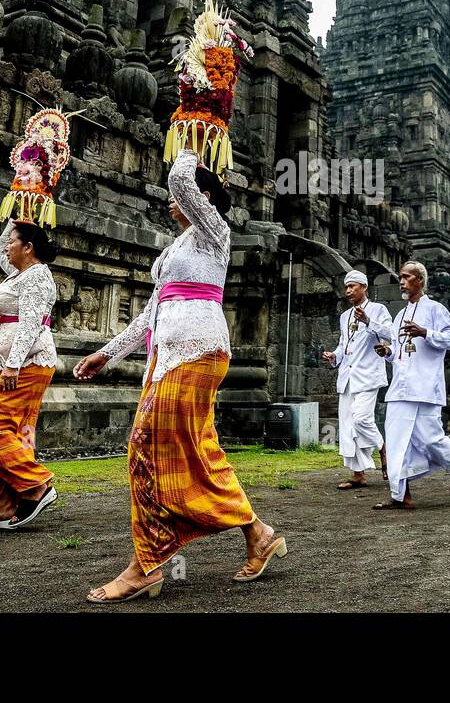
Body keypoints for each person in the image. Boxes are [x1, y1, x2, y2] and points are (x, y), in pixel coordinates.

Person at [76, 149, 285, 603]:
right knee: (193, 447)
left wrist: (192, 136)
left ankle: (145, 564)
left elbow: (180, 181)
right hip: (166, 354)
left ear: (204, 199)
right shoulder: (174, 250)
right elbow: (151, 312)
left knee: (145, 443)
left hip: (199, 348)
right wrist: (106, 354)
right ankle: (257, 532)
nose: (171, 201)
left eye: (183, 197)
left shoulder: (215, 233)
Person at [0, 219, 60, 533]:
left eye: (13, 241)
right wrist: (17, 214)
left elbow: (31, 324)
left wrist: (13, 365)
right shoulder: (17, 275)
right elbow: (0, 250)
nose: (7, 246)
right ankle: (4, 504)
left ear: (28, 248)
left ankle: (35, 486)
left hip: (26, 364)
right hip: (3, 362)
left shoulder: (38, 276)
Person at [373, 261, 450, 510]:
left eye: (406, 277)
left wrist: (425, 333)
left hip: (425, 386)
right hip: (400, 387)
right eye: (400, 276)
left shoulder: (435, 309)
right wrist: (388, 351)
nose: (401, 281)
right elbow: (400, 351)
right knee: (397, 441)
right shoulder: (399, 315)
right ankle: (401, 496)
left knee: (431, 439)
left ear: (419, 280)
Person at [321, 270, 393, 489]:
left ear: (364, 287)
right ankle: (358, 474)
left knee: (361, 419)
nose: (348, 290)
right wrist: (334, 356)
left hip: (368, 375)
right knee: (348, 425)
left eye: (352, 286)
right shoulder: (345, 316)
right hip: (347, 376)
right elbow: (344, 345)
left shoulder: (378, 310)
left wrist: (369, 321)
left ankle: (383, 448)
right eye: (346, 287)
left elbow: (390, 335)